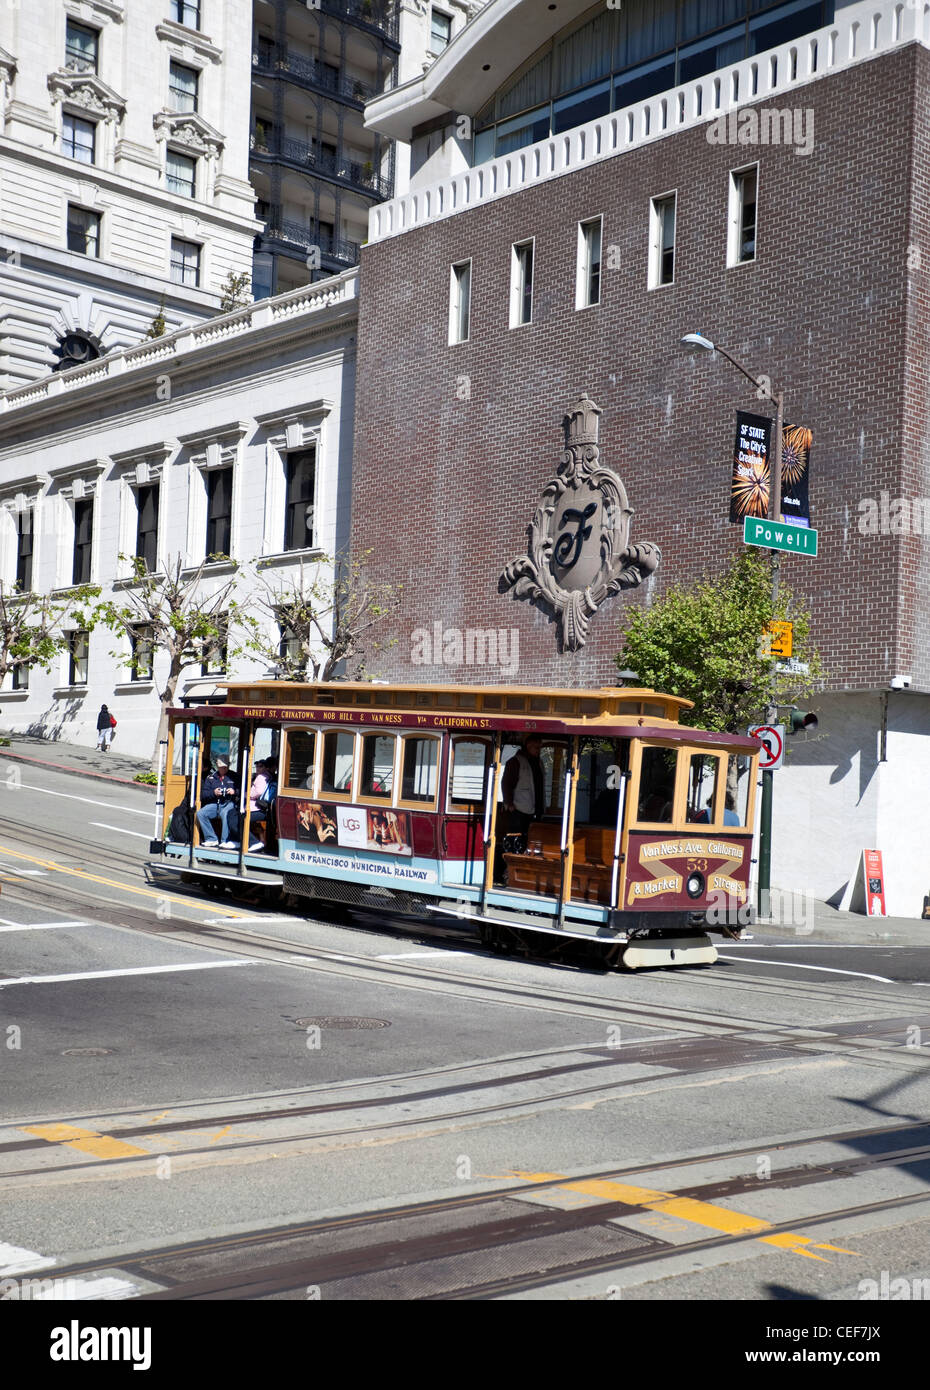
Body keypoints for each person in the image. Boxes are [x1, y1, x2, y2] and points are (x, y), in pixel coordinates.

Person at [501, 736, 545, 845]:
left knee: (532, 842)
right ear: (528, 746)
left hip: (536, 810)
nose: (538, 750)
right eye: (536, 748)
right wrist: (509, 804)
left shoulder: (539, 762)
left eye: (539, 748)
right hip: (519, 810)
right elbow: (506, 784)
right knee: (516, 842)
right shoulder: (515, 761)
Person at [196, 756, 240, 848]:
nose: (224, 768)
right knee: (201, 813)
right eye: (221, 767)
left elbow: (244, 791)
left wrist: (234, 792)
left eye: (225, 766)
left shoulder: (235, 776)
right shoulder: (211, 777)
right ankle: (211, 838)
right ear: (217, 766)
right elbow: (203, 794)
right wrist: (214, 792)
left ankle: (225, 840)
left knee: (225, 813)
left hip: (230, 802)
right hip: (216, 803)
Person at [247, 757, 277, 853]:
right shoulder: (272, 777)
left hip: (262, 807)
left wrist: (249, 795)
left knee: (243, 819)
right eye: (257, 766)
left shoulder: (262, 777)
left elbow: (258, 792)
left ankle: (255, 842)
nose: (258, 769)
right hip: (269, 808)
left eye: (261, 766)